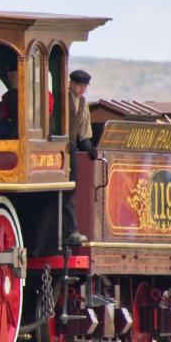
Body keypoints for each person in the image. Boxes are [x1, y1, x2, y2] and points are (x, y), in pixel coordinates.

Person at [63, 69, 97, 246]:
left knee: (71, 190)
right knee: (65, 191)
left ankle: (71, 230)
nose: (82, 89)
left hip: (72, 150)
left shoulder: (83, 104)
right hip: (59, 147)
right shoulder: (62, 98)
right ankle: (68, 230)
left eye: (84, 86)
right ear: (70, 83)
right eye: (79, 85)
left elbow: (84, 132)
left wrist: (88, 146)